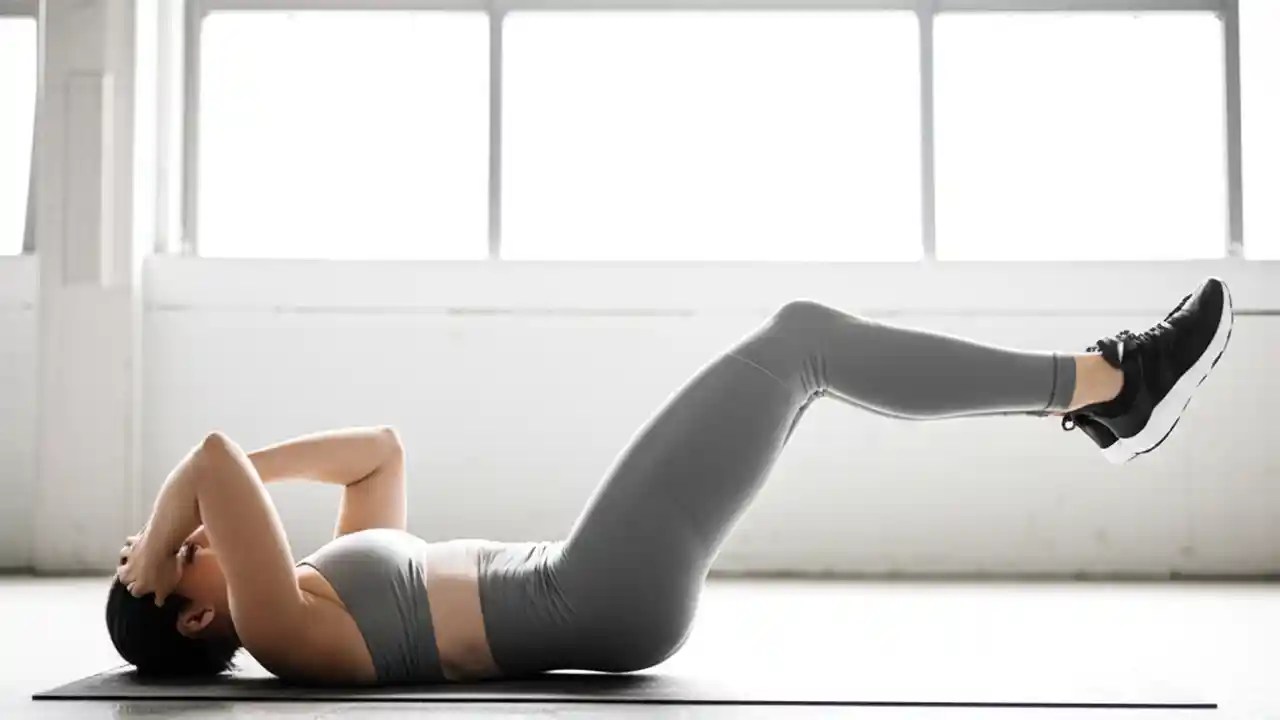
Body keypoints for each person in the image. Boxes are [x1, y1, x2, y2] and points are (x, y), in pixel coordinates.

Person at [109, 277, 1234, 686]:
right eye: (163, 558)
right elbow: (209, 459)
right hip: (590, 593)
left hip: (589, 581)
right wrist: (161, 539)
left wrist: (176, 534)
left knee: (803, 355)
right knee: (802, 340)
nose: (173, 535)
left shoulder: (310, 592)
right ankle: (1100, 384)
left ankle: (1095, 393)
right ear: (192, 605)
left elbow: (381, 451)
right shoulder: (274, 631)